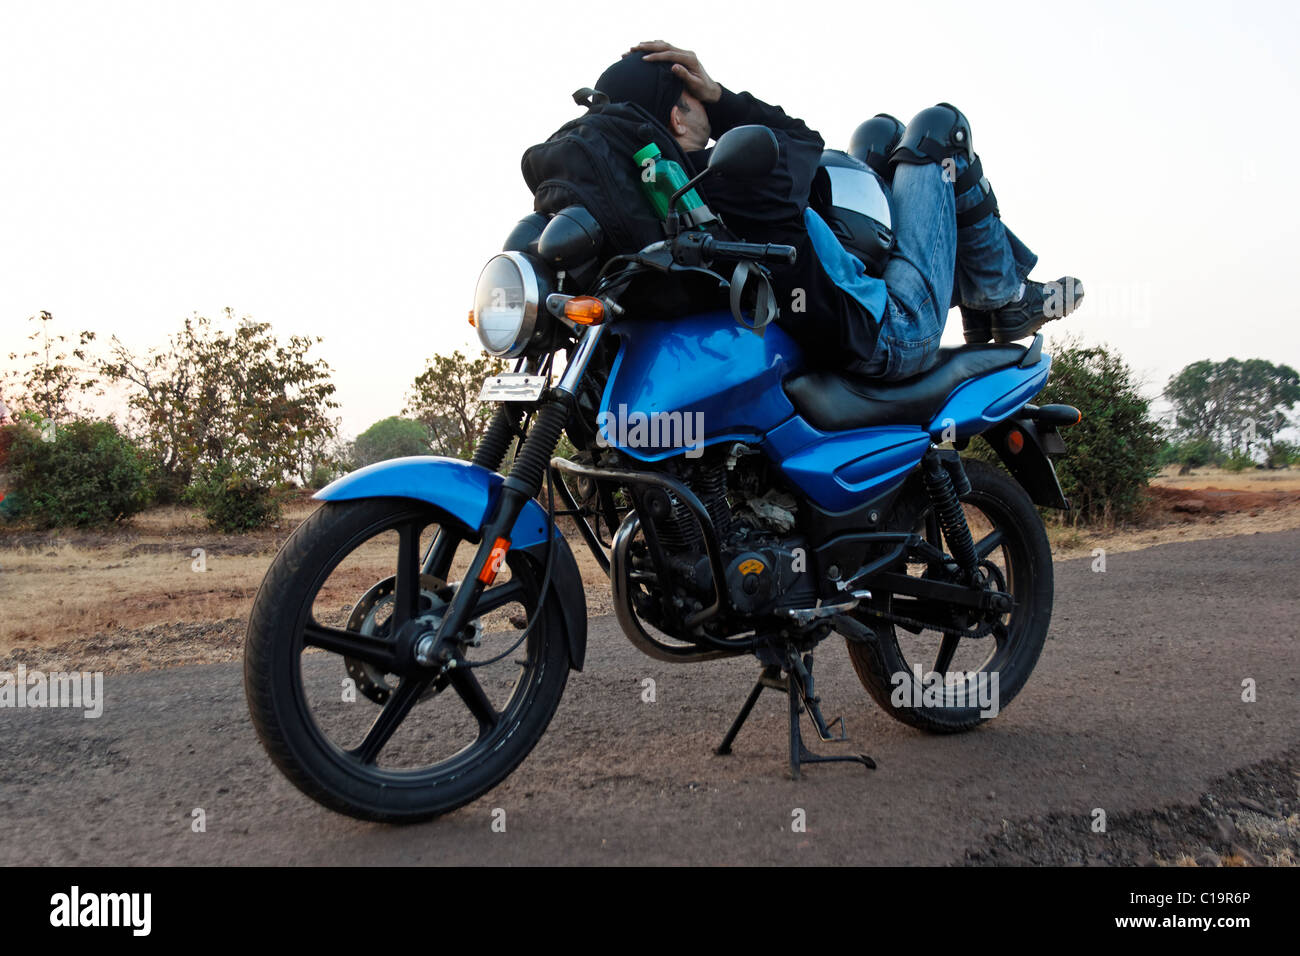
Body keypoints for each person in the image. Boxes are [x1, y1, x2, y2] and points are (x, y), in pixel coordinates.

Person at [594, 41, 1084, 380]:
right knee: (939, 129)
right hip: (894, 329)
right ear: (679, 116)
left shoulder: (657, 203)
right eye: (692, 98)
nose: (703, 105)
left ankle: (991, 300)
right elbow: (805, 140)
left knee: (880, 135)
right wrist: (722, 98)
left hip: (828, 312)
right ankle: (1003, 295)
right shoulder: (732, 177)